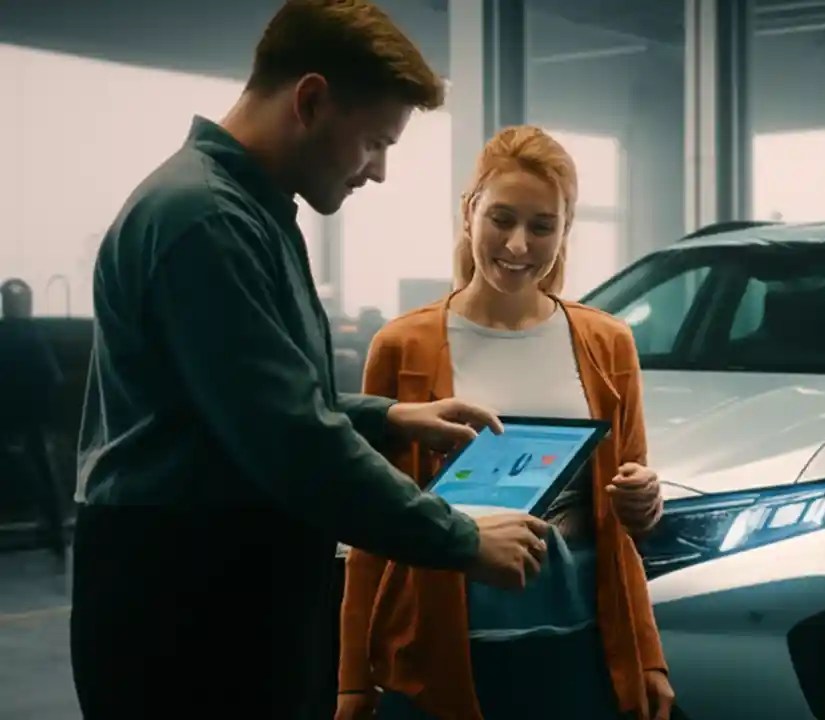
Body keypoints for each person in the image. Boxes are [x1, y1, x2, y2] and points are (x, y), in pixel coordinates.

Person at [70, 2, 550, 718]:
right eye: (374, 142)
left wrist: (389, 416)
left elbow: (244, 402)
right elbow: (288, 438)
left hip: (221, 580)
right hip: (186, 601)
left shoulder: (247, 210)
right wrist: (457, 537)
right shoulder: (205, 219)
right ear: (312, 99)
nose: (380, 172)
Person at [336, 126, 673, 720]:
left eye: (542, 226)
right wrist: (352, 682)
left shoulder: (606, 343)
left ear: (566, 231)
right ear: (469, 213)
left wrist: (647, 654)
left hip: (578, 633)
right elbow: (372, 527)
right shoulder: (403, 345)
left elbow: (626, 522)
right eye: (502, 219)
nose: (518, 245)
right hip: (441, 631)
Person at [0, 278, 67, 560]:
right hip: (32, 418)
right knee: (44, 473)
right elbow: (53, 377)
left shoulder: (4, 335)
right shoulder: (34, 334)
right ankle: (55, 532)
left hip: (8, 416)